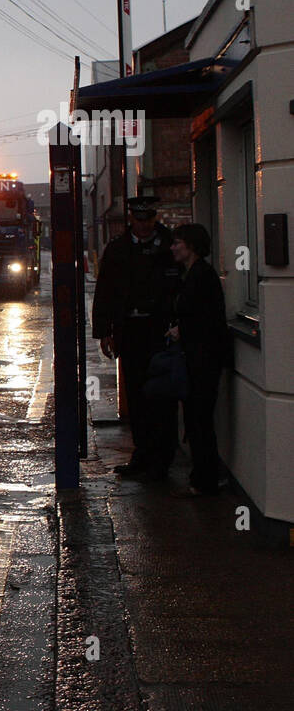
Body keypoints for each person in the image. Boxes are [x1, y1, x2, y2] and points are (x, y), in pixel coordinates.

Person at [91, 196, 182, 479]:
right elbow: (104, 291)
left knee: (162, 398)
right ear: (131, 219)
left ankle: (161, 460)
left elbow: (182, 287)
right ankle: (142, 455)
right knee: (137, 396)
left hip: (160, 331)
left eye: (148, 219)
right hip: (130, 330)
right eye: (139, 220)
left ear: (155, 218)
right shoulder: (117, 249)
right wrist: (104, 331)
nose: (144, 225)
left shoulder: (170, 246)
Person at [167, 223, 229, 497]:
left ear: (190, 245)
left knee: (199, 418)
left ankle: (205, 479)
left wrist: (181, 330)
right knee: (196, 418)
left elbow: (207, 318)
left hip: (203, 359)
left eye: (177, 243)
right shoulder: (193, 273)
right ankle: (203, 475)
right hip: (198, 357)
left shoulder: (201, 275)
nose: (172, 248)